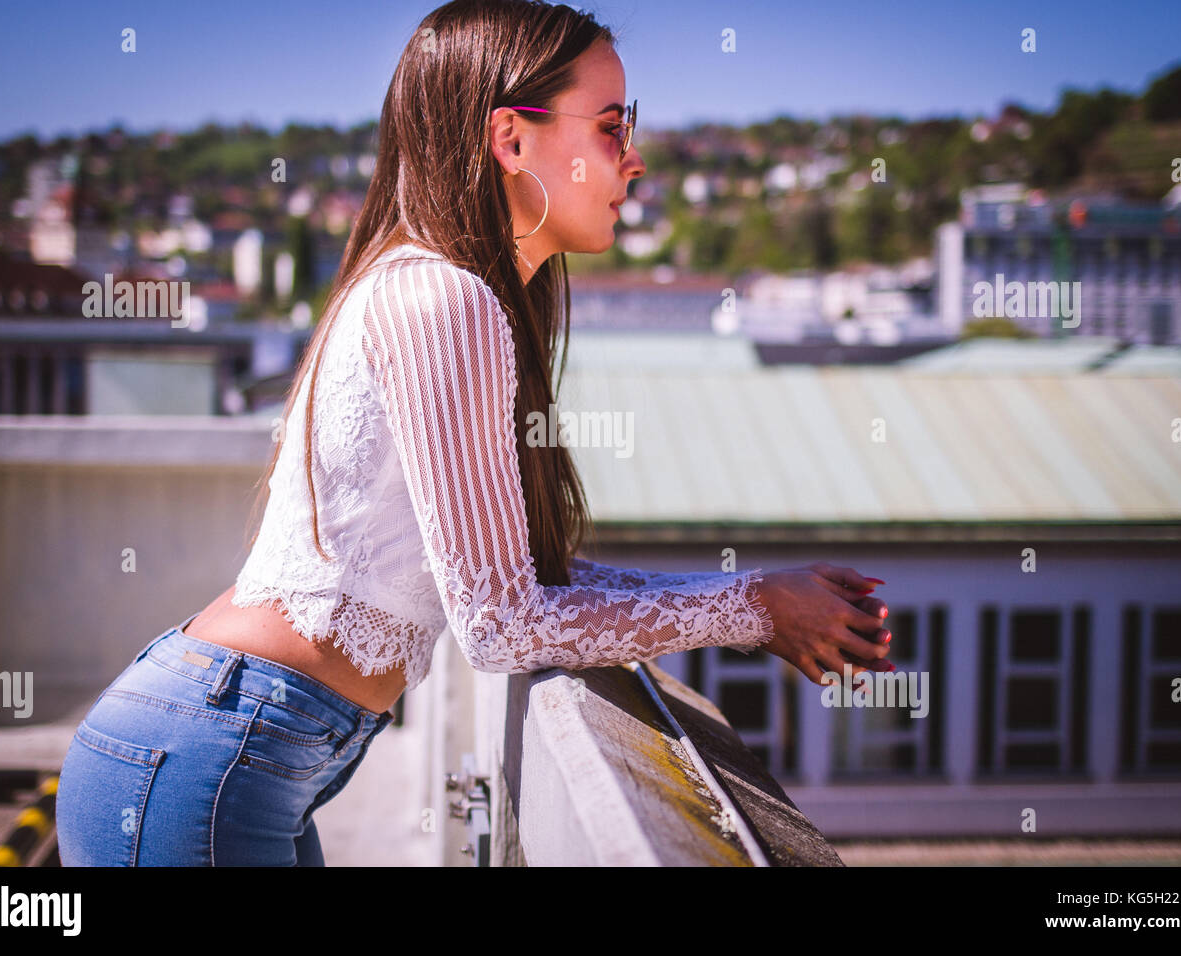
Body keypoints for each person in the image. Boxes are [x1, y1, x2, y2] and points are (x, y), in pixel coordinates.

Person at [55, 0, 893, 867]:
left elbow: (507, 580)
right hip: (209, 763)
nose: (635, 160)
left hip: (236, 754)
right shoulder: (444, 298)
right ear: (511, 139)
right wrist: (754, 607)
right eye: (611, 127)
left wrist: (764, 594)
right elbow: (503, 625)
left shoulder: (438, 288)